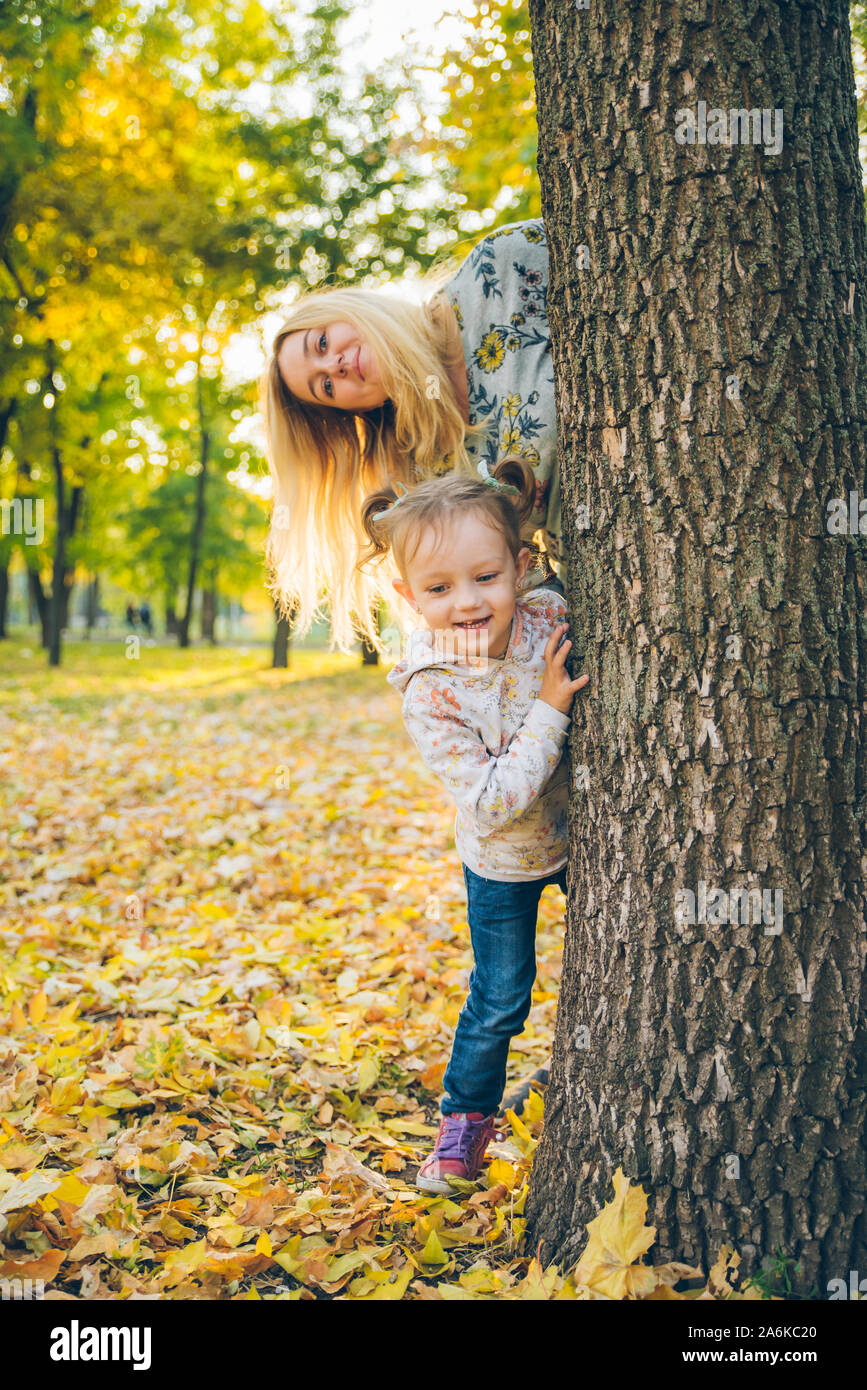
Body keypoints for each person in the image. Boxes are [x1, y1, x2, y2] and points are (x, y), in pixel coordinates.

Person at [358, 456, 590, 1192]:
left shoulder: (547, 613)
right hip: (503, 861)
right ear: (407, 595)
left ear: (521, 567)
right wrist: (552, 707)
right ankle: (462, 1127)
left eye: (485, 577)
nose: (467, 601)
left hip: (588, 842)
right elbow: (491, 801)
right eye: (438, 587)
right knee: (500, 996)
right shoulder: (431, 695)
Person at [260, 218, 566, 657]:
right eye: (325, 386)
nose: (337, 366)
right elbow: (501, 593)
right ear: (350, 411)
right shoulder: (424, 479)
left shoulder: (499, 270)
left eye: (323, 342)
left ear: (351, 309)